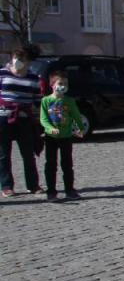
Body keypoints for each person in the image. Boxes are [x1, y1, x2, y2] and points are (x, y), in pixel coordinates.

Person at [0, 48, 43, 197]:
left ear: (28, 61)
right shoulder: (2, 73)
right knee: (3, 154)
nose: (17, 61)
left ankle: (33, 185)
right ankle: (6, 186)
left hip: (24, 118)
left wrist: (40, 119)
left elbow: (38, 100)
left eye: (21, 58)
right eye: (15, 57)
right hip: (3, 118)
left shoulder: (33, 78)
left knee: (28, 154)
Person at [39, 72, 84, 201]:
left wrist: (80, 128)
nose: (63, 86)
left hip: (66, 137)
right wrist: (50, 128)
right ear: (52, 85)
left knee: (67, 164)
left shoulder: (69, 101)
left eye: (65, 84)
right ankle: (51, 191)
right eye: (60, 83)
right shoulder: (46, 100)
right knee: (51, 164)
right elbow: (43, 119)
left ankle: (70, 189)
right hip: (51, 138)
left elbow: (76, 115)